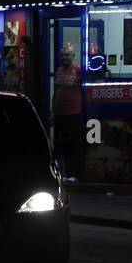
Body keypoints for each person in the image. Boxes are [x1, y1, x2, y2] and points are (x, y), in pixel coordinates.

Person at [49, 46, 83, 181]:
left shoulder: (78, 71)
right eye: (62, 55)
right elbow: (55, 93)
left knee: (72, 144)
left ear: (73, 56)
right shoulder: (58, 71)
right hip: (59, 114)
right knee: (58, 144)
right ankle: (60, 173)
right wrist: (52, 112)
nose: (64, 58)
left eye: (67, 55)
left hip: (74, 113)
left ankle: (73, 174)